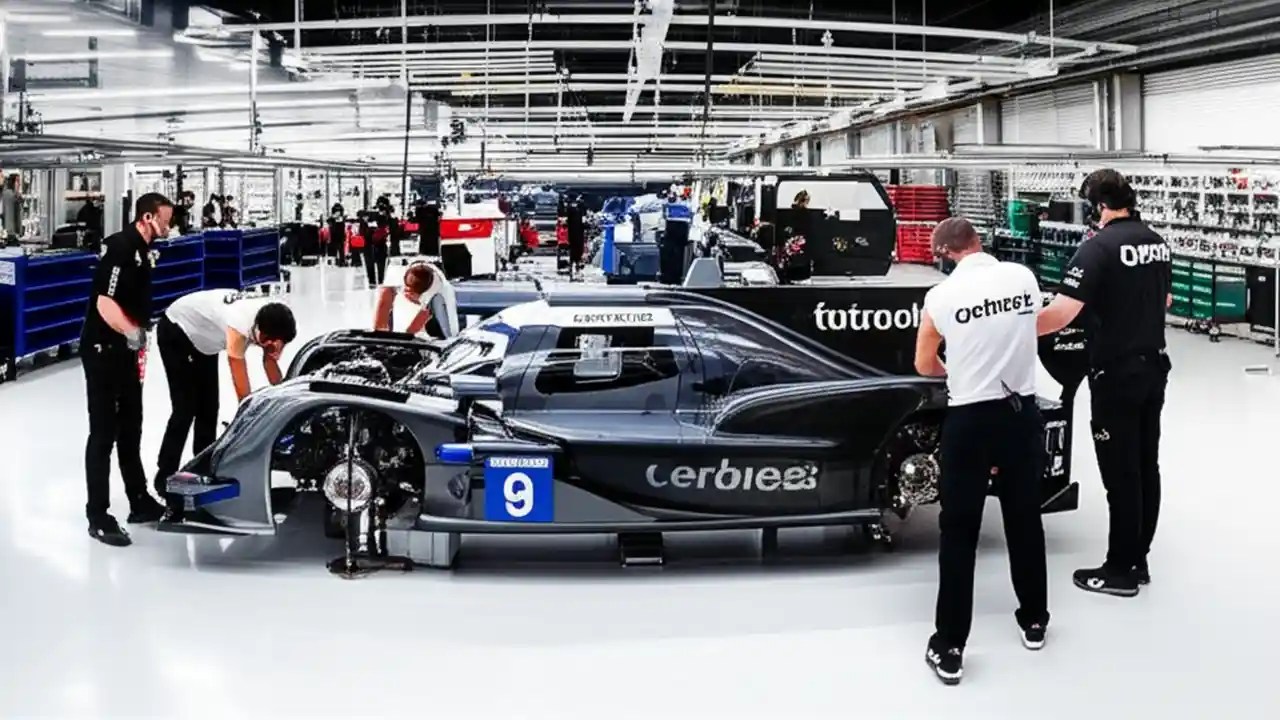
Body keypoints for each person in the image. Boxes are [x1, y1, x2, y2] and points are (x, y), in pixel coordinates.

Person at [914, 217, 1049, 685]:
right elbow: (1034, 327)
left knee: (959, 531)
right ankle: (1034, 620)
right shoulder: (1023, 278)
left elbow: (923, 362)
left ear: (946, 254)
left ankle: (950, 647)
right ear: (977, 242)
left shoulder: (942, 296)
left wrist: (957, 368)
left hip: (970, 418)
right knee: (1024, 518)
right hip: (1020, 412)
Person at [1037, 168, 1172, 597]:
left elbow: (1060, 314)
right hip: (1153, 368)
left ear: (1098, 206)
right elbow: (1164, 298)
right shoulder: (1156, 242)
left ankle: (1118, 572)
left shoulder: (1097, 249)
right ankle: (1139, 558)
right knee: (1146, 467)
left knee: (1120, 475)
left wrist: (1011, 327)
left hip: (1115, 373)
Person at [81, 192, 174, 546]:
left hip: (126, 351)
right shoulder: (121, 247)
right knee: (103, 433)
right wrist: (132, 332)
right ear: (148, 217)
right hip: (104, 350)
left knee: (131, 427)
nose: (170, 225)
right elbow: (106, 303)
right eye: (165, 219)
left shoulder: (144, 251)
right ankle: (98, 515)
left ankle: (139, 499)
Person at [153, 290, 297, 493]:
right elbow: (243, 392)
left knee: (210, 407)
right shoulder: (239, 325)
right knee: (185, 408)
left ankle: (203, 471)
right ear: (261, 333)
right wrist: (251, 417)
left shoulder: (271, 319)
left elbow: (270, 363)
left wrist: (287, 398)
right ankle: (164, 476)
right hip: (177, 329)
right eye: (269, 344)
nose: (273, 348)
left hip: (205, 341)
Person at [373, 260, 459, 339]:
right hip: (408, 268)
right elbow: (383, 305)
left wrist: (406, 340)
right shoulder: (396, 275)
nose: (407, 295)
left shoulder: (435, 289)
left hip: (440, 292)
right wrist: (379, 336)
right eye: (406, 291)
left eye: (411, 294)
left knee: (449, 333)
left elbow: (418, 322)